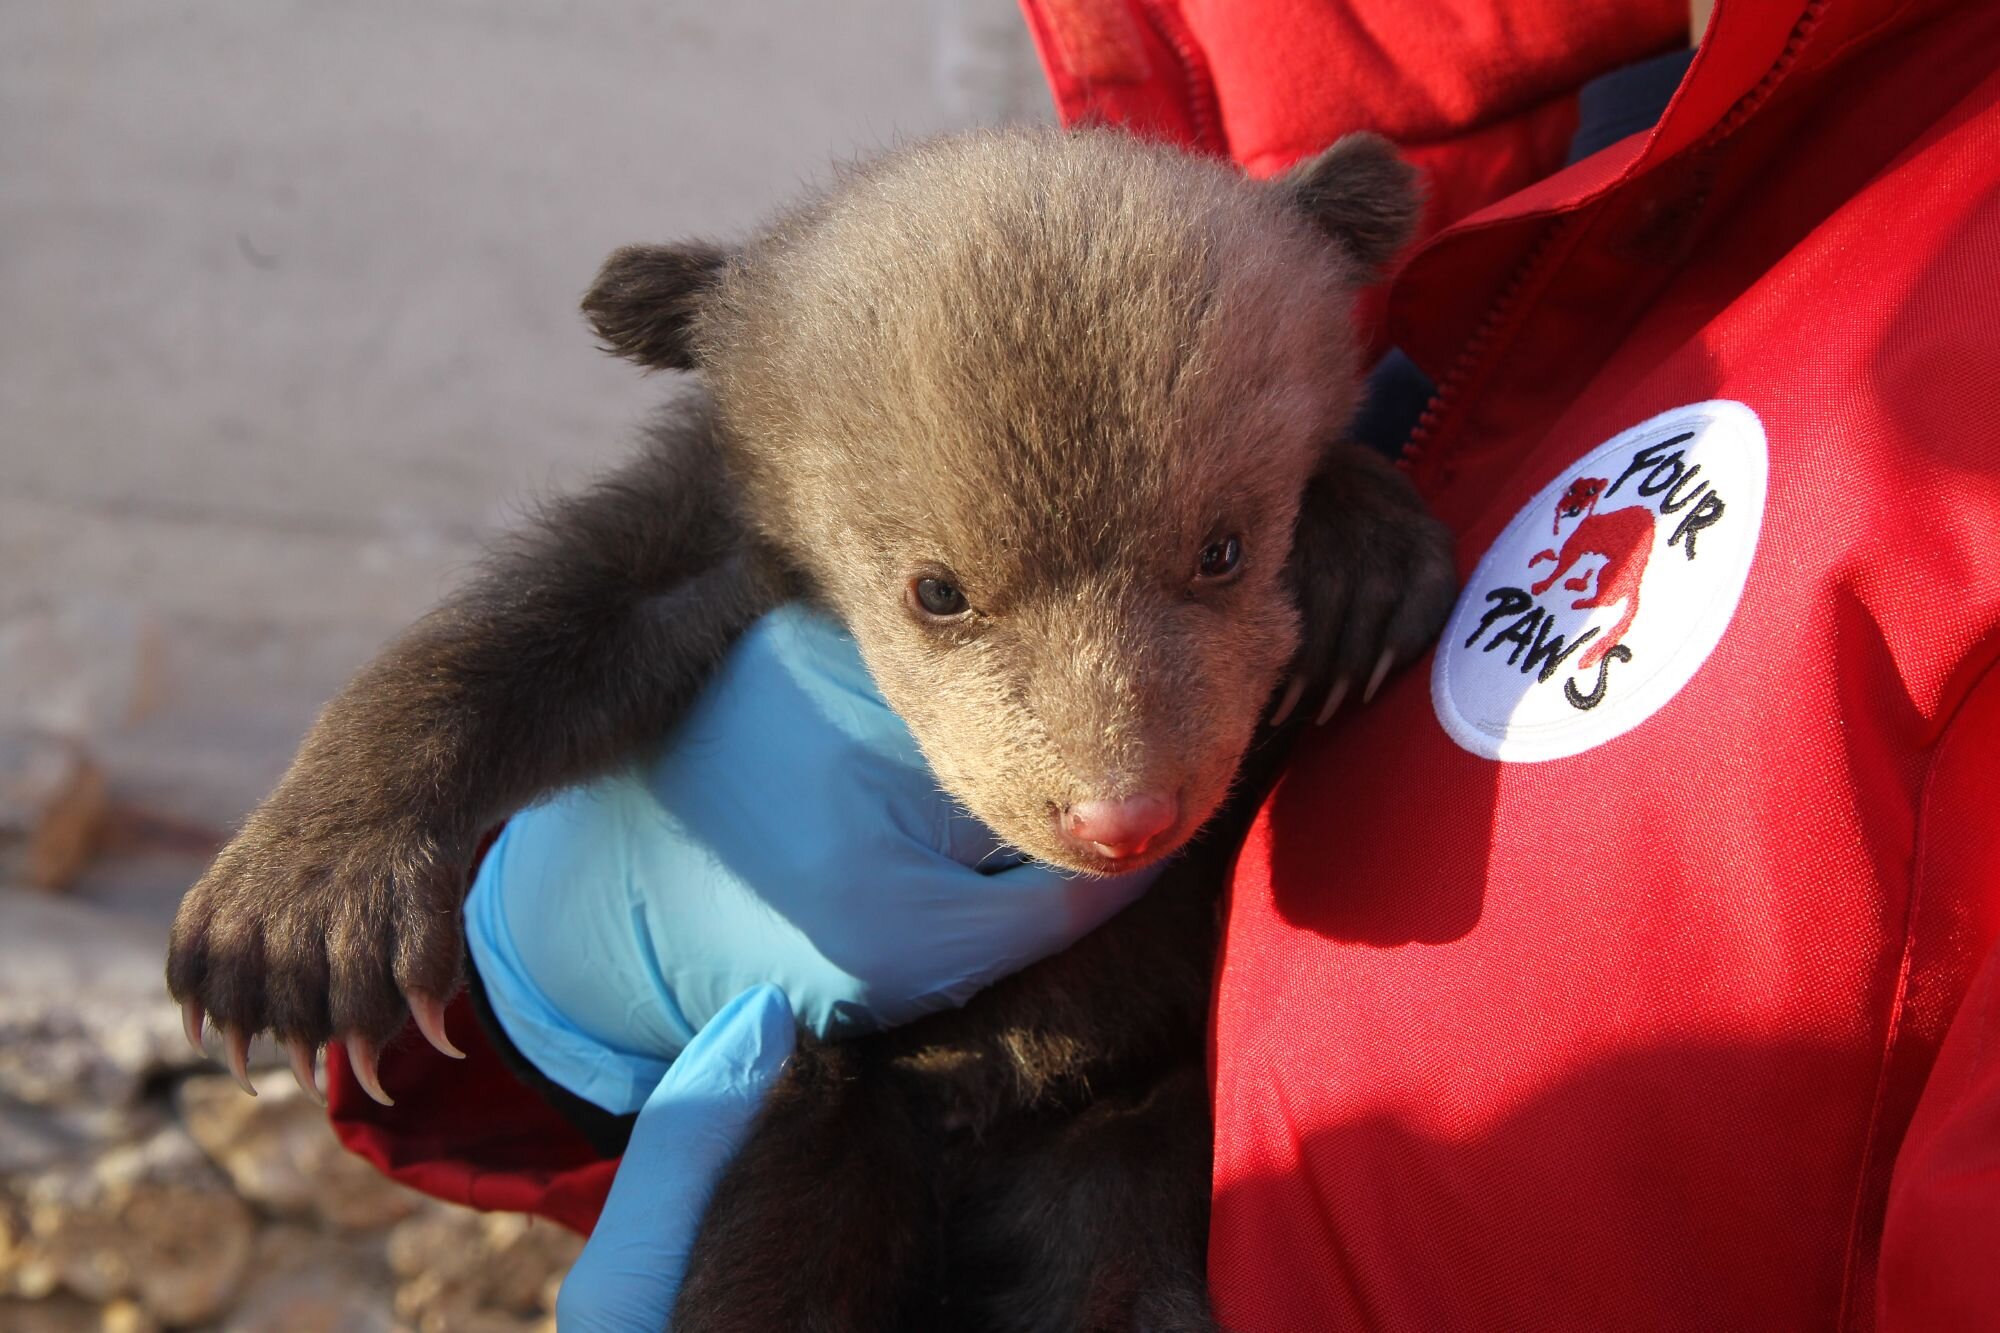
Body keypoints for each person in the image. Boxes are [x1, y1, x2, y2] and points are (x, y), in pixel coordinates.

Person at [329, 0, 2000, 1326]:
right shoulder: (1229, 170)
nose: (1122, 794)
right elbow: (567, 638)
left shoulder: (1927, 309)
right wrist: (542, 992)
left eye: (1225, 558)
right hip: (845, 1117)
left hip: (1140, 1162)